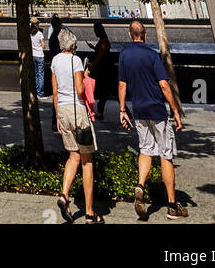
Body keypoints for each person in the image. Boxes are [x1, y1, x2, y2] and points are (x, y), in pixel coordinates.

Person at [118, 20, 187, 220]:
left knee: (146, 150)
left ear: (130, 35)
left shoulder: (124, 55)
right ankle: (172, 205)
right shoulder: (151, 55)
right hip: (157, 111)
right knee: (165, 155)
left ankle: (140, 185)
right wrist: (175, 110)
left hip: (138, 111)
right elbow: (164, 85)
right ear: (145, 35)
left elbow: (122, 85)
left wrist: (123, 110)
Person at [52, 29, 102, 224]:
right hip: (78, 111)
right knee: (87, 160)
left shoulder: (55, 61)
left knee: (73, 155)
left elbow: (55, 91)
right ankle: (89, 213)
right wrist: (85, 73)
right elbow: (80, 89)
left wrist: (56, 115)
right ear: (72, 45)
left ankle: (64, 195)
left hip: (63, 111)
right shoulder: (76, 60)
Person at [88, 22, 114, 119]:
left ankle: (100, 111)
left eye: (95, 30)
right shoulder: (103, 41)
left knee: (104, 91)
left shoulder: (103, 42)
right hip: (105, 69)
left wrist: (91, 67)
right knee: (107, 91)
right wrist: (94, 48)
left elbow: (99, 56)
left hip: (104, 70)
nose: (94, 32)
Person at [30, 19, 47, 99]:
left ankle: (36, 91)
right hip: (40, 55)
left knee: (36, 74)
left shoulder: (30, 34)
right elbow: (43, 45)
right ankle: (40, 93)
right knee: (41, 75)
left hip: (33, 55)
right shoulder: (40, 34)